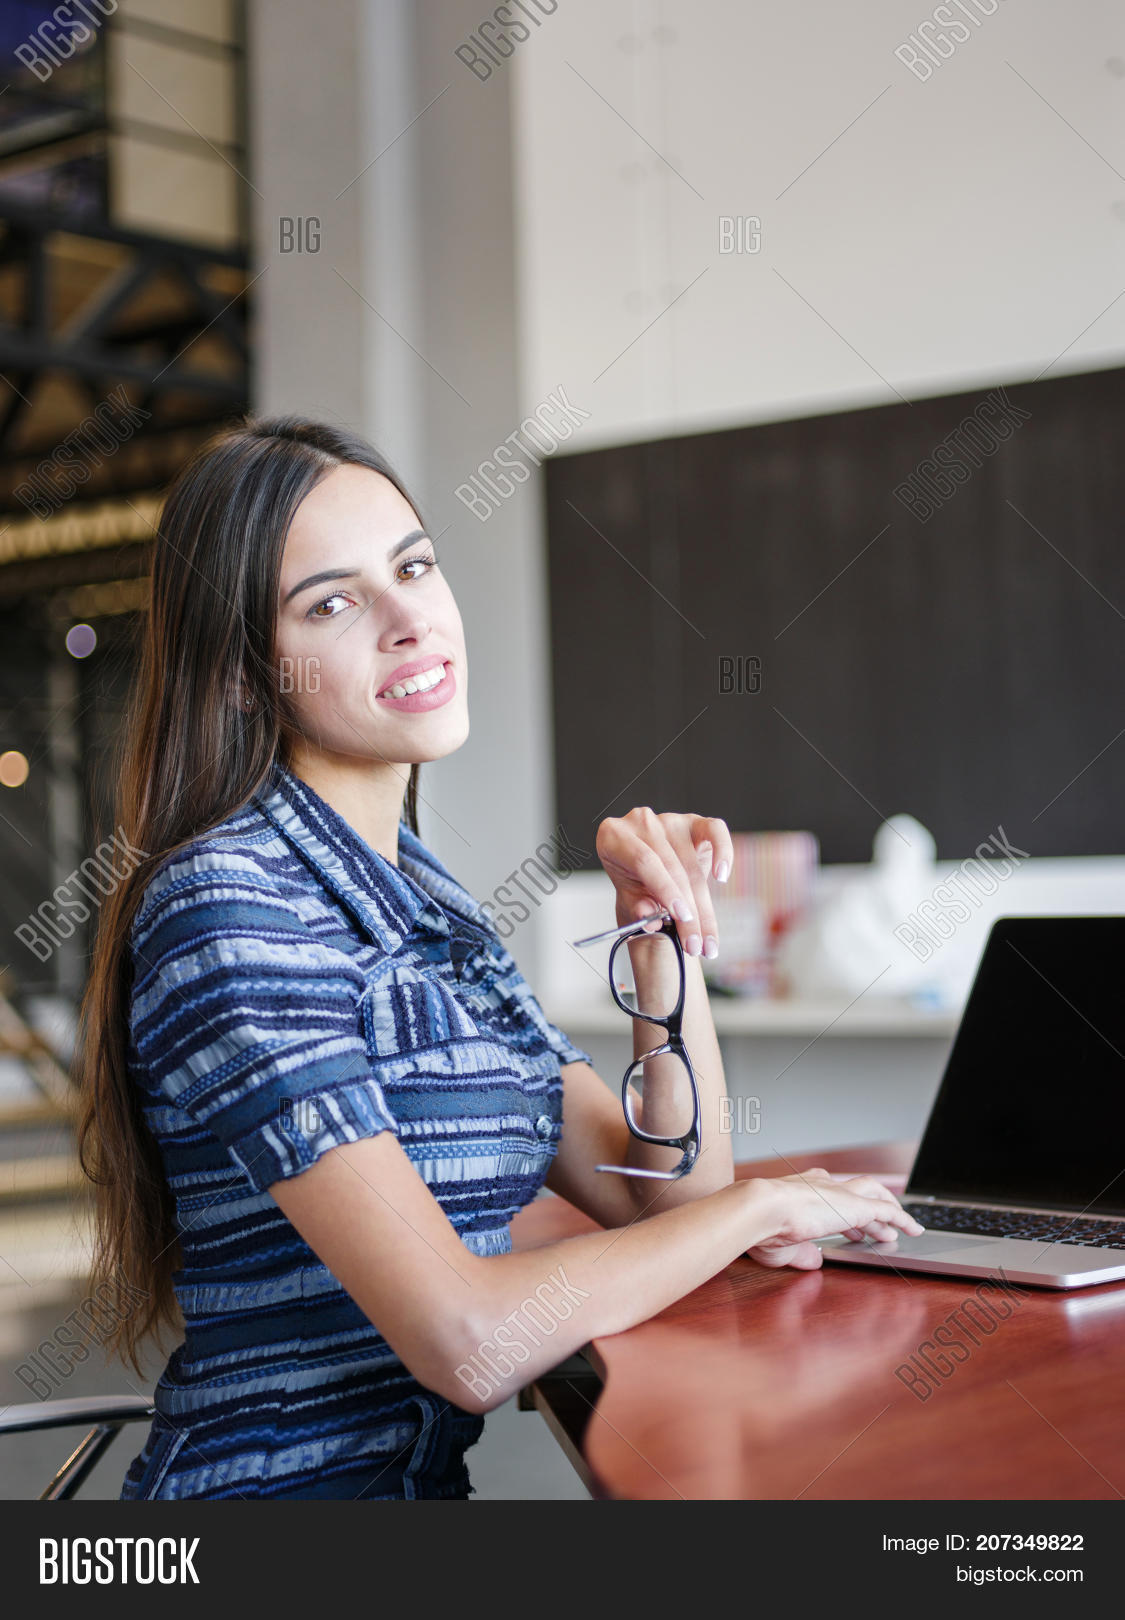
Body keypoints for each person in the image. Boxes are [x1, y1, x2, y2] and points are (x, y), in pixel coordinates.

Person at [74, 415, 924, 1500]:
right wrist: (763, 1207)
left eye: (415, 568)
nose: (408, 621)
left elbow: (665, 1197)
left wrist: (658, 928)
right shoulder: (227, 908)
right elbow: (467, 1339)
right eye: (332, 602)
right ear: (243, 677)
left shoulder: (427, 902)